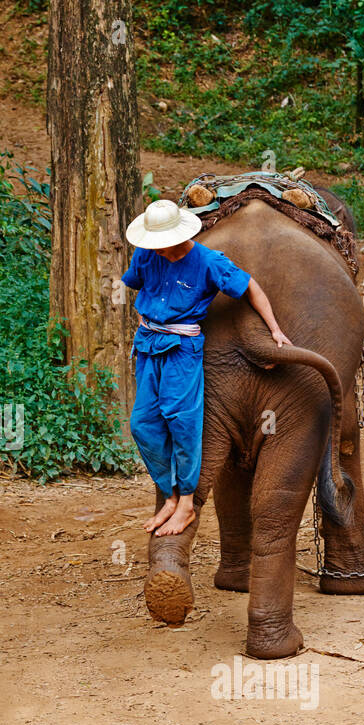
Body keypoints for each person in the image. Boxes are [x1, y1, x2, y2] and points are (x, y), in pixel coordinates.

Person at [122, 199, 290, 537]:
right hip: (147, 345)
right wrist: (146, 316)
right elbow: (135, 282)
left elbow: (251, 288)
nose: (159, 250)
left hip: (182, 349)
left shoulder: (208, 262)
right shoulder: (147, 253)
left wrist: (274, 329)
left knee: (182, 422)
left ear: (179, 235)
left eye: (163, 244)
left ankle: (186, 502)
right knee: (142, 424)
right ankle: (168, 495)